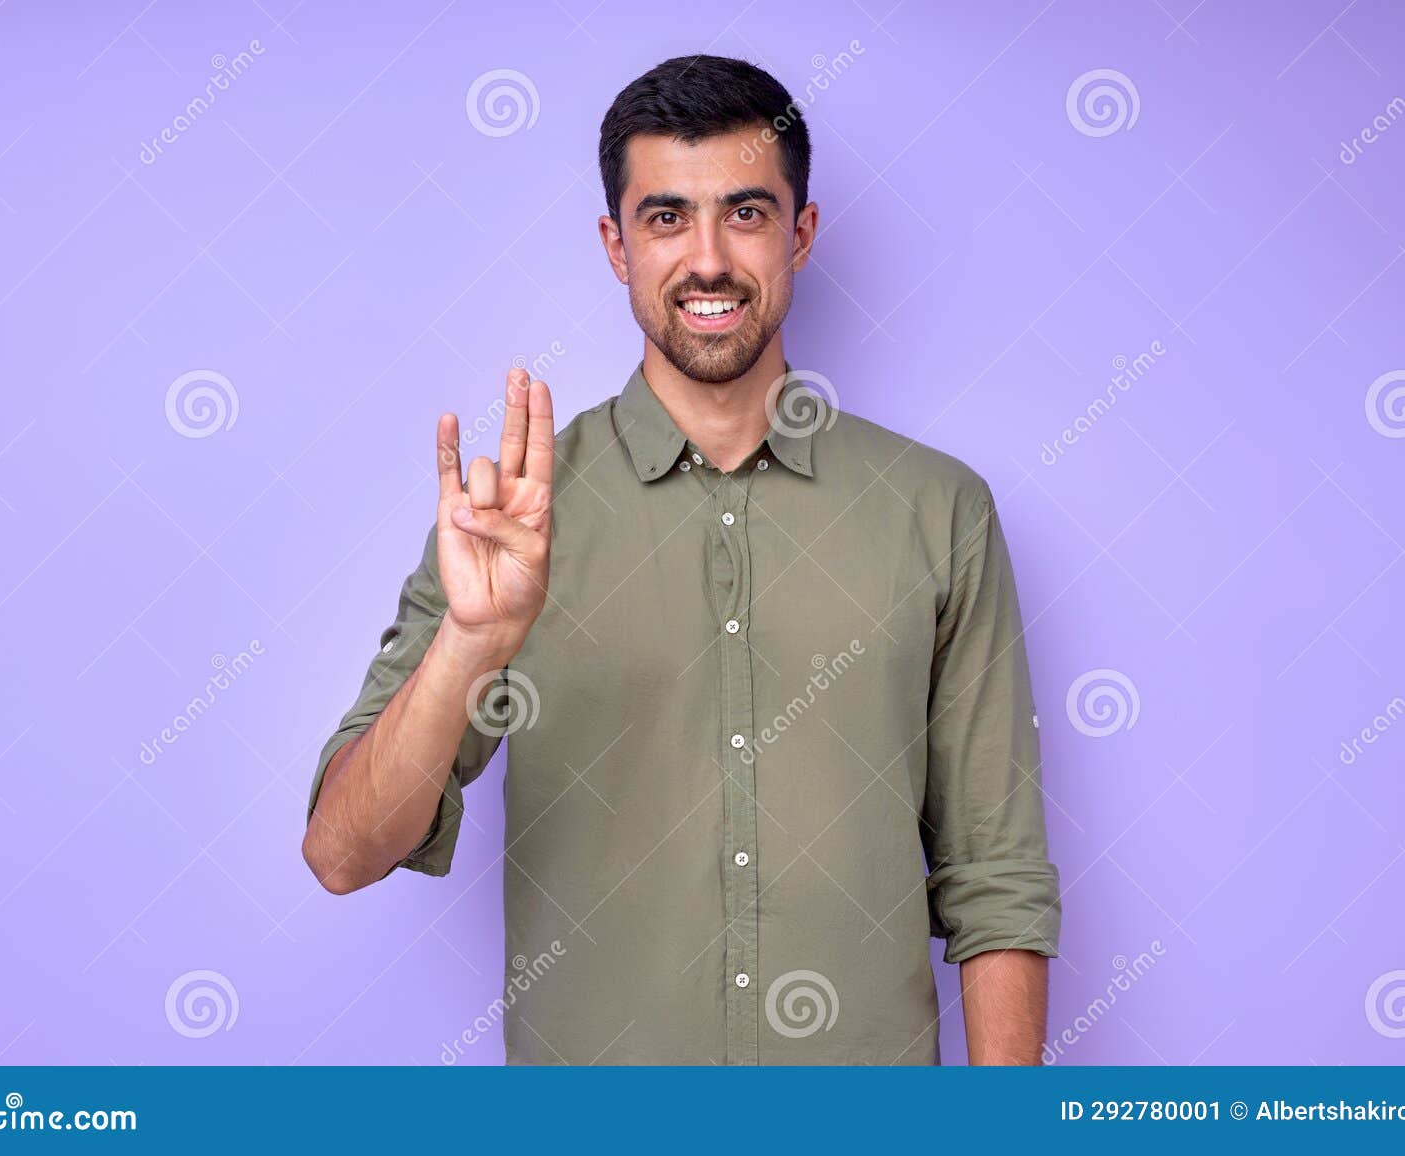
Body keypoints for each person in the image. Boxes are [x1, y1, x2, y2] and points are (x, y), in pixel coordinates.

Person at [302, 53, 1061, 1065]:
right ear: (617, 245)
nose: (707, 258)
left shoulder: (938, 511)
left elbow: (995, 876)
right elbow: (344, 852)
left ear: (800, 231)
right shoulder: (513, 523)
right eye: (666, 218)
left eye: (744, 212)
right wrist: (472, 639)